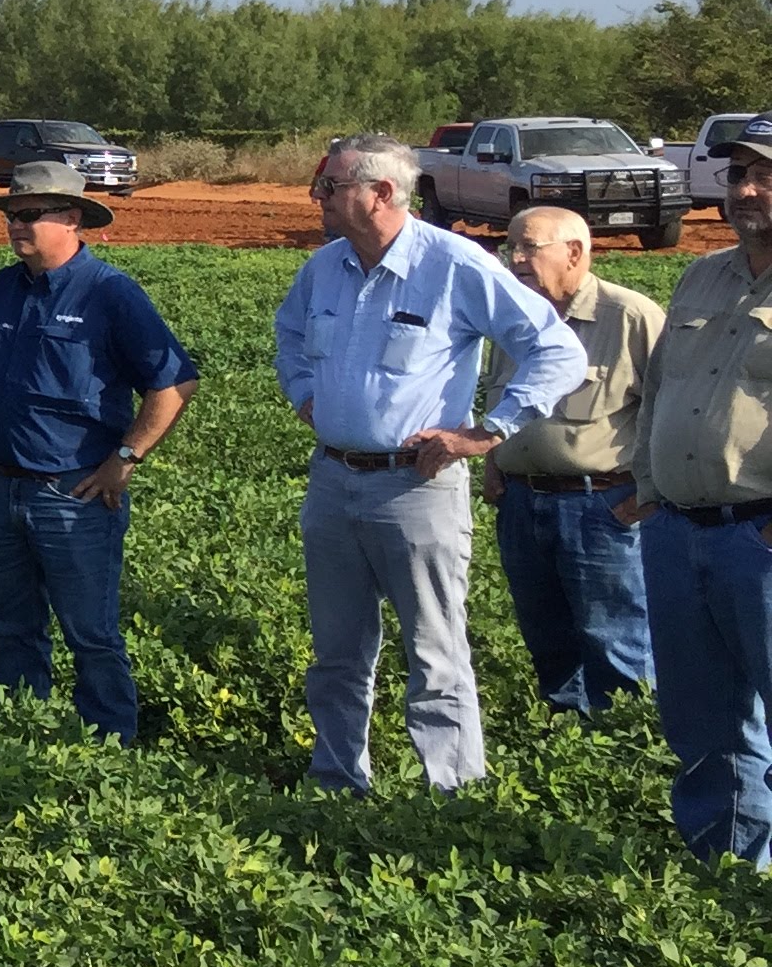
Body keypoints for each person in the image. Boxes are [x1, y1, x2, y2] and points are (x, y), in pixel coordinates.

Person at [273, 134, 584, 797]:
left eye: (330, 187)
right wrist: (308, 398)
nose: (318, 198)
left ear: (380, 193)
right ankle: (335, 781)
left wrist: (486, 432)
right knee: (336, 653)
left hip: (416, 486)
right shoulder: (324, 267)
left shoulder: (454, 264)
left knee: (435, 652)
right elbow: (291, 336)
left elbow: (557, 351)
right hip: (332, 482)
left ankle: (454, 795)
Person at [0, 162, 199, 744]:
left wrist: (126, 458)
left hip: (74, 494)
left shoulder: (112, 294)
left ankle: (109, 746)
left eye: (30, 214)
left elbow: (174, 382)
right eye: (13, 214)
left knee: (91, 632)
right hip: (0, 487)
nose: (16, 224)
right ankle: (18, 741)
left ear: (73, 219)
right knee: (10, 627)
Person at [626, 114, 772, 862]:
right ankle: (727, 861)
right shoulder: (701, 274)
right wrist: (651, 492)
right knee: (701, 714)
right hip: (679, 533)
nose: (746, 189)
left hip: (761, 538)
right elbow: (656, 391)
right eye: (738, 174)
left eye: (764, 175)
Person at [484, 204, 660, 715]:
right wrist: (495, 463)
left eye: (528, 248)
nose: (515, 259)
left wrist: (644, 497)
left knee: (615, 640)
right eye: (509, 247)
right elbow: (501, 403)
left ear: (575, 252)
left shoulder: (630, 317)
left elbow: (670, 410)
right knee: (547, 638)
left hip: (602, 507)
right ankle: (566, 743)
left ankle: (623, 752)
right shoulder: (514, 319)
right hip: (521, 505)